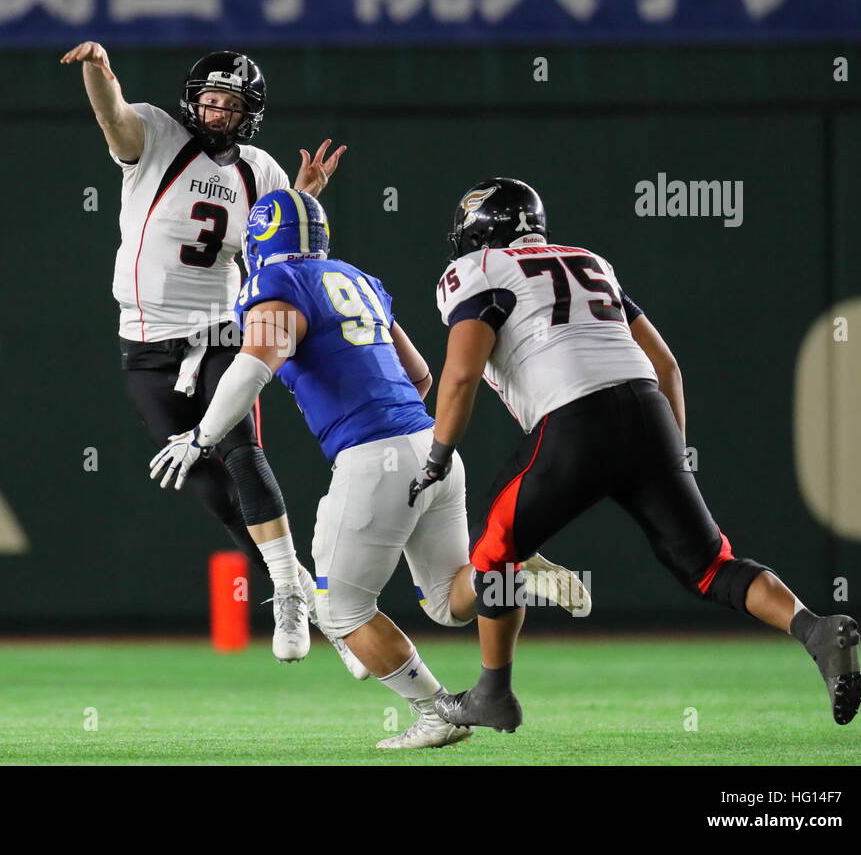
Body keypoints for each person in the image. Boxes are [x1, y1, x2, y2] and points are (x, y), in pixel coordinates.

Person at [410, 177, 861, 733]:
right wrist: (673, 458)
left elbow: (461, 372)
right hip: (649, 411)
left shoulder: (476, 272)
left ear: (481, 231)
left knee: (495, 552)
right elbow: (667, 365)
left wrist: (437, 454)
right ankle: (815, 630)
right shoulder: (589, 260)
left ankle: (493, 694)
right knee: (710, 566)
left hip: (573, 418)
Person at [150, 188, 588, 748]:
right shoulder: (355, 279)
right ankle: (511, 569)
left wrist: (201, 436)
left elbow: (252, 368)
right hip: (429, 446)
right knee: (446, 601)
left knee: (339, 609)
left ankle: (437, 713)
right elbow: (421, 373)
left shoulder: (275, 286)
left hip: (373, 457)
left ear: (258, 241)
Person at [60, 42, 363, 674]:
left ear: (249, 109)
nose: (215, 108)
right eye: (208, 96)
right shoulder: (160, 137)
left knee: (242, 454)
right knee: (214, 495)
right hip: (147, 344)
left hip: (223, 333)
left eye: (228, 100)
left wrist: (301, 202)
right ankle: (312, 599)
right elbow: (112, 117)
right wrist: (98, 70)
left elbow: (285, 255)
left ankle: (286, 595)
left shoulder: (262, 171)